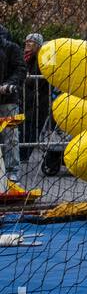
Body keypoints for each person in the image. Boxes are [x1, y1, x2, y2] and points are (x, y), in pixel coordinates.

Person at [0, 28, 28, 185]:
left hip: (8, 98)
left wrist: (9, 84)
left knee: (11, 136)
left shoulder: (11, 48)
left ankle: (12, 172)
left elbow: (20, 69)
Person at [20, 33, 51, 164]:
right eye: (26, 41)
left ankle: (24, 155)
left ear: (38, 45)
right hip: (25, 98)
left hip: (38, 100)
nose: (27, 43)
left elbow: (36, 81)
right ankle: (22, 153)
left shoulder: (42, 58)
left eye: (31, 41)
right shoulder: (25, 57)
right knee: (23, 126)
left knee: (31, 126)